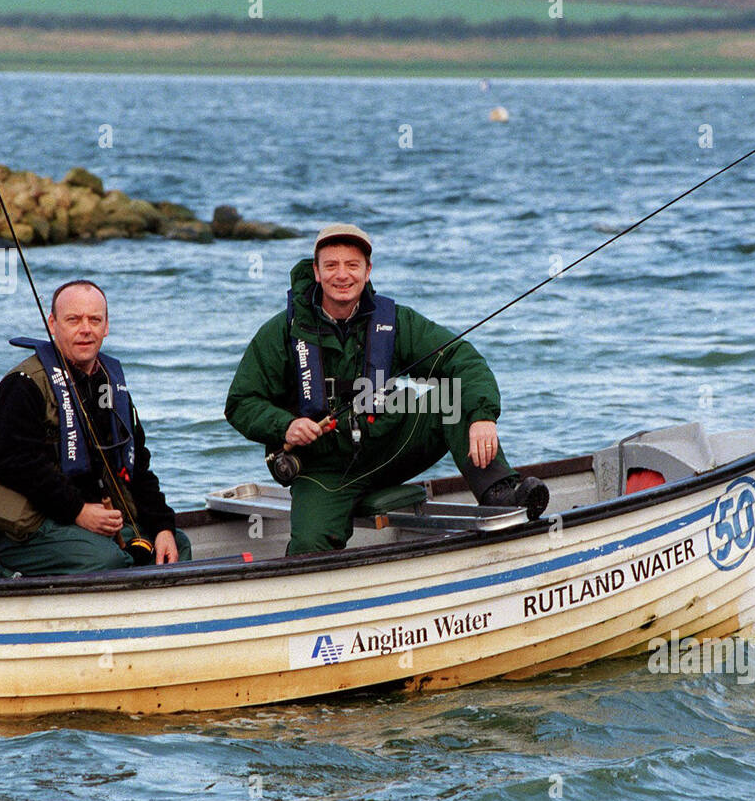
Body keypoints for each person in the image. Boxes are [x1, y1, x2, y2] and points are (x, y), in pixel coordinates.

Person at [226, 223, 547, 555]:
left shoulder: (395, 321)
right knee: (309, 546)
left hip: (387, 448)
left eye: (352, 265)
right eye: (331, 265)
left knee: (451, 396)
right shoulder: (281, 332)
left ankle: (499, 493)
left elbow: (461, 360)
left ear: (368, 271)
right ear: (316, 273)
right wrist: (286, 426)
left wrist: (482, 417)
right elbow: (240, 402)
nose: (342, 275)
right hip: (322, 472)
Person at [0, 279, 191, 576]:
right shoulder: (23, 384)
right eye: (73, 320)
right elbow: (15, 465)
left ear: (106, 326)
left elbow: (138, 468)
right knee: (109, 561)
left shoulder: (110, 386)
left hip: (83, 519)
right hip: (26, 530)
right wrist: (79, 512)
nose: (85, 329)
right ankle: (11, 576)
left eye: (94, 319)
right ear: (53, 324)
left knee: (178, 543)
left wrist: (162, 526)